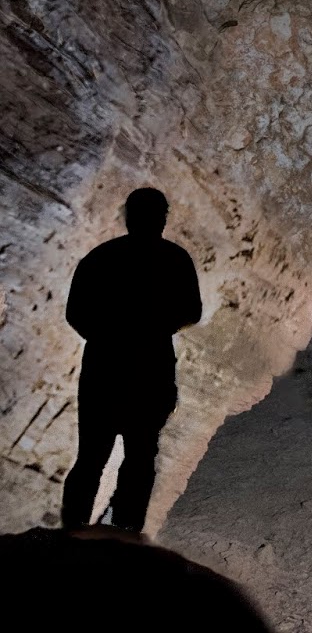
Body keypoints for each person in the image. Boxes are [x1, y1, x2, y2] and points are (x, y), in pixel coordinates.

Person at [61, 188, 202, 534]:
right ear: (162, 219)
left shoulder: (101, 257)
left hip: (103, 369)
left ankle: (72, 531)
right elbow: (191, 312)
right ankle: (126, 533)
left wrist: (107, 335)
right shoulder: (174, 259)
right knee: (140, 459)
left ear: (129, 216)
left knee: (92, 457)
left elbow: (75, 313)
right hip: (150, 369)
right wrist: (154, 328)